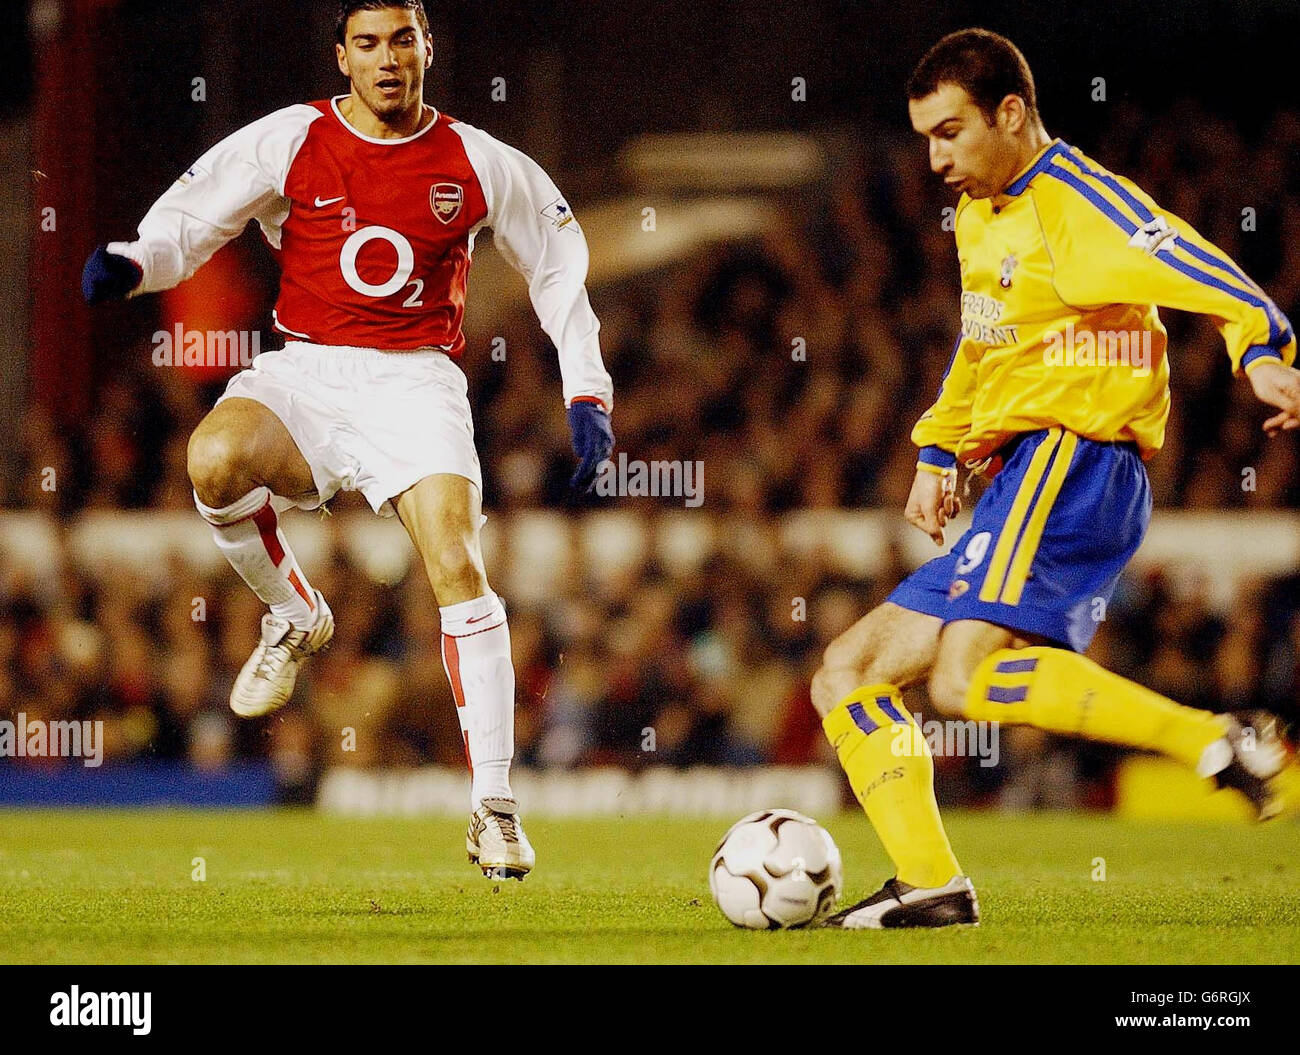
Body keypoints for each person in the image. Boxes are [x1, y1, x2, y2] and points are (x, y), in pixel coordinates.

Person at [81, 0, 615, 881]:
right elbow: (197, 211)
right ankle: (295, 613)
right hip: (308, 370)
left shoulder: (482, 162)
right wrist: (140, 260)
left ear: (428, 49)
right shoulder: (294, 139)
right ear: (342, 58)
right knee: (212, 460)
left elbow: (560, 270)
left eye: (403, 39)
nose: (387, 58)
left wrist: (586, 387)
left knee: (456, 560)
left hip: (417, 383)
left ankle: (495, 807)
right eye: (368, 43)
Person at [810, 28, 1299, 929]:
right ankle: (932, 882)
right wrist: (937, 446)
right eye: (924, 137)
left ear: (1011, 112)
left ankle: (1219, 740)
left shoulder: (1081, 205)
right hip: (1020, 473)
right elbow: (986, 342)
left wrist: (1263, 350)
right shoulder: (981, 213)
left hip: (1072, 462)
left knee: (960, 681)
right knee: (848, 672)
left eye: (950, 132)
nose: (934, 158)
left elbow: (1199, 262)